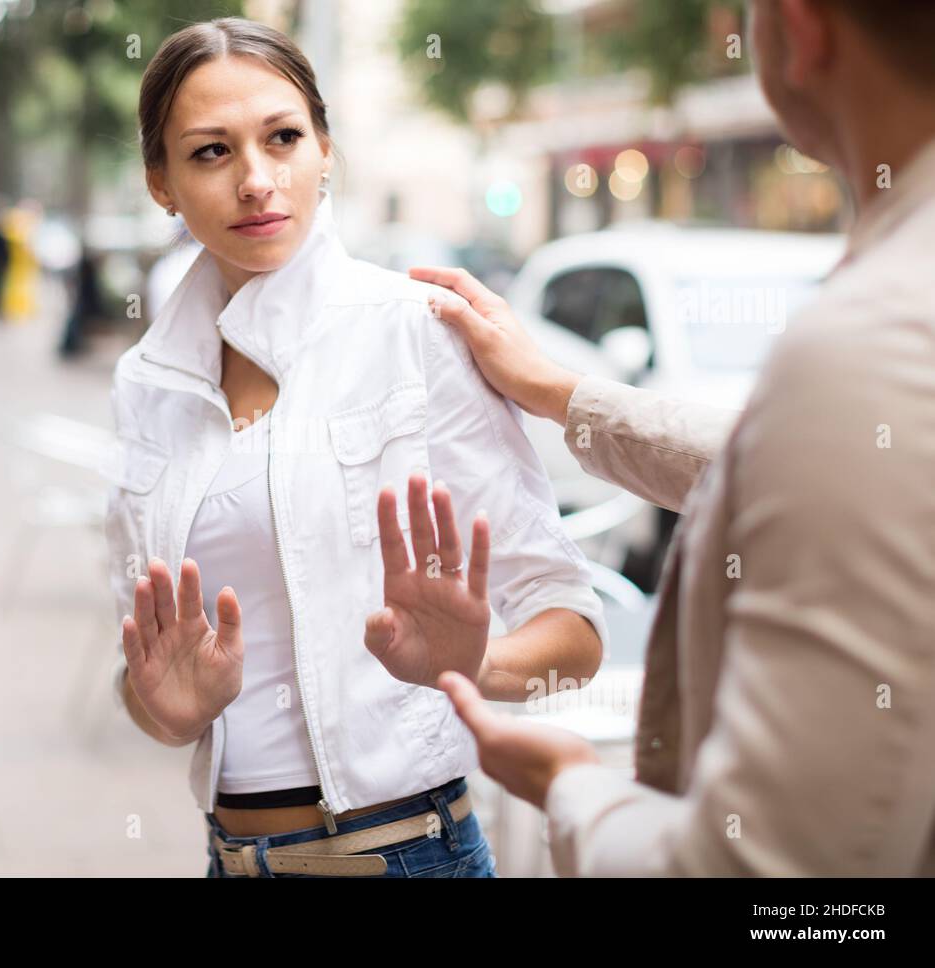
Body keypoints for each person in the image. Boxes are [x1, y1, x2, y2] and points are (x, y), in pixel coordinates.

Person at [390, 0, 935, 875]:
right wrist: (559, 390)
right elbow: (770, 458)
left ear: (799, 29)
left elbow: (783, 881)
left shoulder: (874, 336)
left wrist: (574, 785)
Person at [105, 17, 606, 879]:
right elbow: (148, 679)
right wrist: (163, 711)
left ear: (325, 149)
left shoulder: (416, 333)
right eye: (211, 153)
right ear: (161, 182)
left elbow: (576, 636)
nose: (258, 181)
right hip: (231, 859)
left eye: (283, 137)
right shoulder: (145, 382)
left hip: (410, 855)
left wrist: (476, 664)